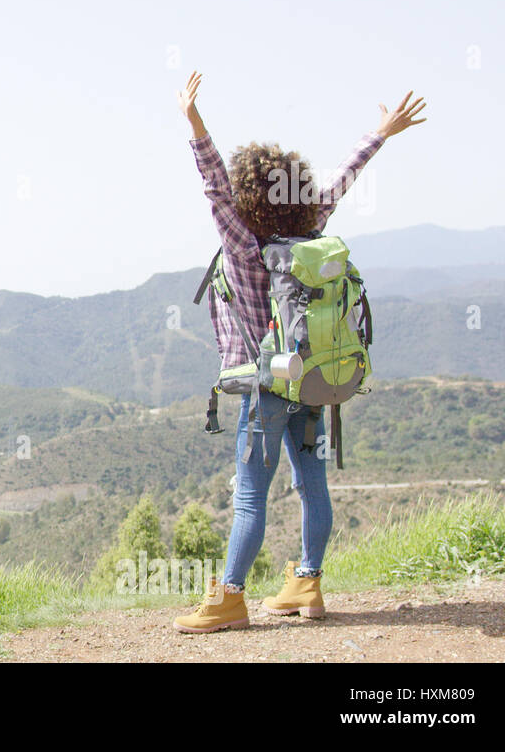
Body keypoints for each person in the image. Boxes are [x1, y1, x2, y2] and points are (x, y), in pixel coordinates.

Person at [171, 72, 426, 634]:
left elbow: (213, 185)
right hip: (310, 377)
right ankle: (307, 584)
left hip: (265, 388)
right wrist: (380, 132)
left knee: (249, 496)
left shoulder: (242, 244)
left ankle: (231, 598)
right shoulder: (312, 225)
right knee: (313, 483)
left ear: (246, 194)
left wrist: (194, 123)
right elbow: (343, 178)